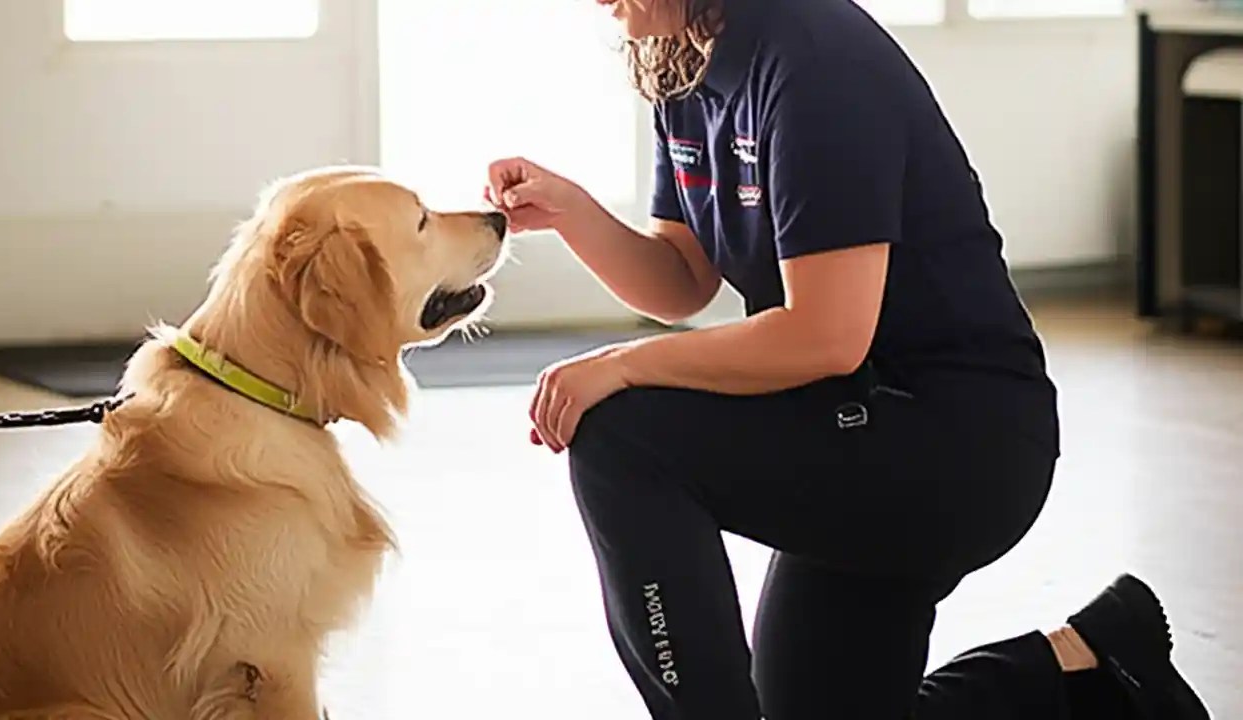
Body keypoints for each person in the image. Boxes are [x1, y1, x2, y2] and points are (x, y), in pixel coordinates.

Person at [485, 0, 1210, 718]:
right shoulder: (688, 52)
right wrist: (573, 212)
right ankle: (1095, 658)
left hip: (952, 442)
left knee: (620, 433)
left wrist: (622, 364)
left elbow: (825, 336)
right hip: (844, 423)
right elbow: (681, 278)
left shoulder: (817, 60)